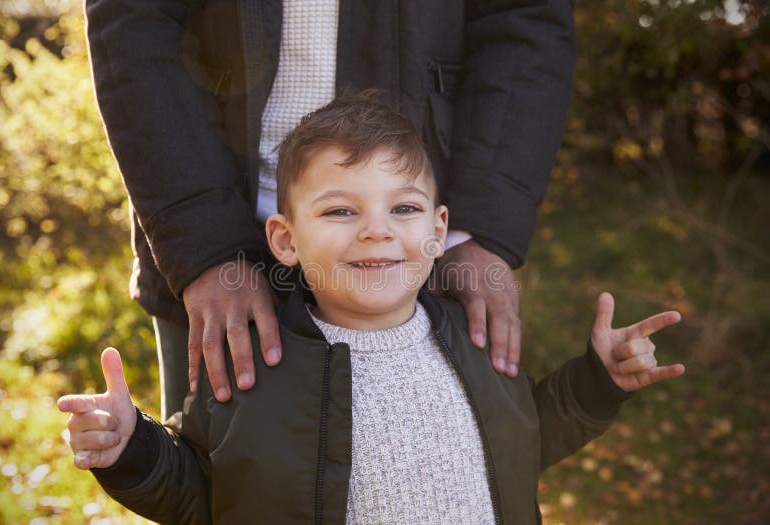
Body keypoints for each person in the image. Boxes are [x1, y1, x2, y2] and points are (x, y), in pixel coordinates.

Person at [58, 94, 685, 525]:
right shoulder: (255, 365)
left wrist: (598, 382)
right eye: (340, 210)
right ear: (285, 239)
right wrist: (129, 445)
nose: (377, 232)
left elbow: (522, 441)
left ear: (439, 230)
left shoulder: (470, 339)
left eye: (404, 209)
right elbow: (196, 494)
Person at [84, 0, 577, 419]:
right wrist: (203, 246)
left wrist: (479, 231)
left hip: (430, 258)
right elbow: (135, 20)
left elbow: (526, 19)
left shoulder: (422, 237)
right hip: (215, 244)